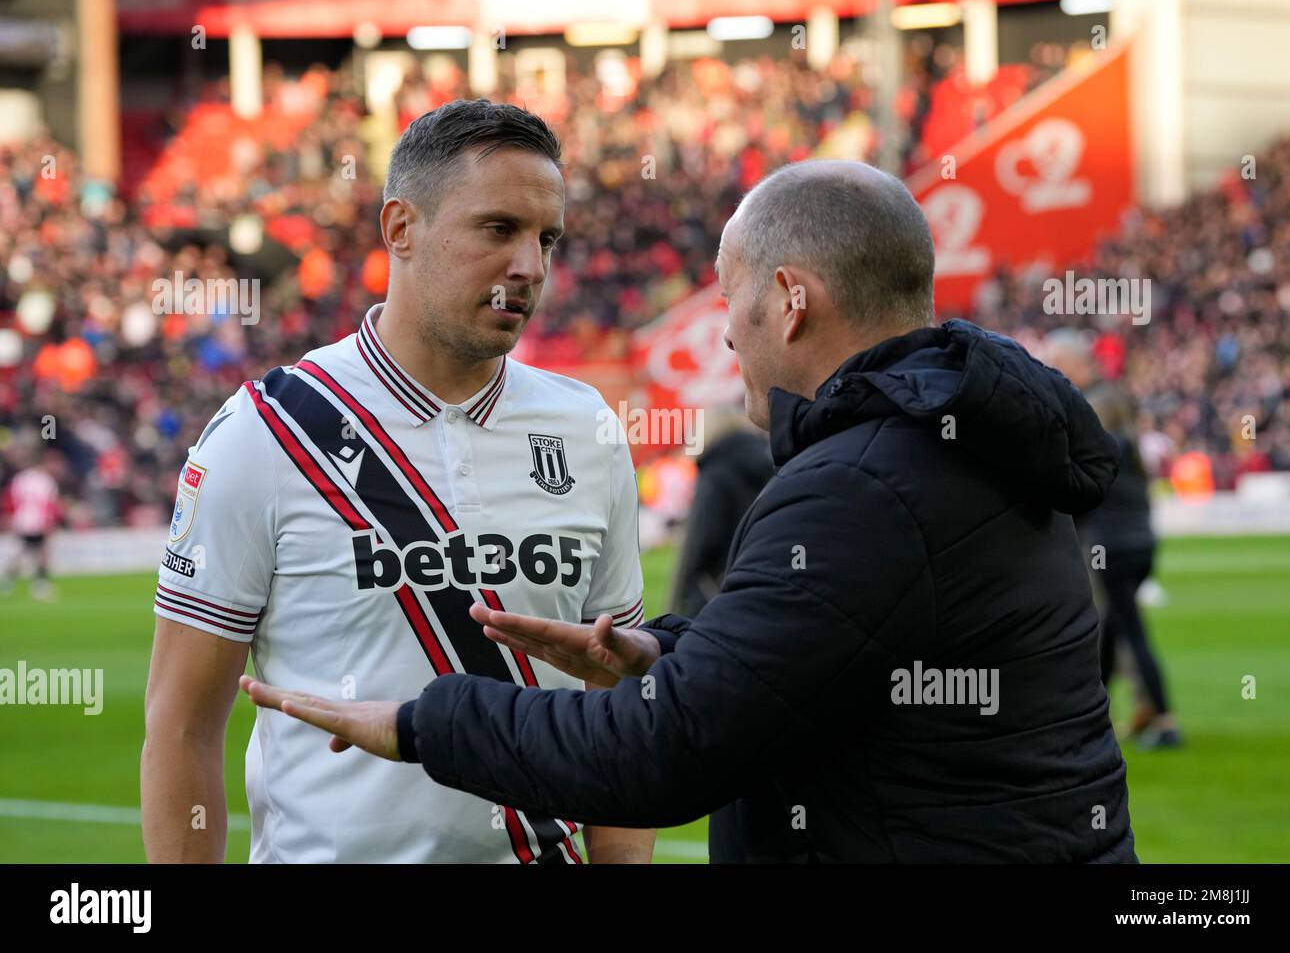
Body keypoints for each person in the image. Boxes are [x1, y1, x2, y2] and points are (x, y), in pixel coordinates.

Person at [242, 159, 1137, 863]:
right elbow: (834, 661)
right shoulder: (961, 438)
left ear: (790, 302)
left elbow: (665, 751)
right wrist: (670, 653)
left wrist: (420, 721)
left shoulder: (863, 484)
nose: (722, 331)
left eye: (729, 295)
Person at [142, 100, 655, 863]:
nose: (530, 267)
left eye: (547, 238)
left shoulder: (587, 429)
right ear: (400, 229)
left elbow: (615, 702)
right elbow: (182, 726)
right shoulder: (264, 432)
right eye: (498, 229)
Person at [1043, 329, 1182, 750]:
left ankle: (1162, 719)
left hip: (1109, 543)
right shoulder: (1119, 415)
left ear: (1073, 363)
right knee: (1113, 629)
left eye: (1056, 363)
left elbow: (1080, 476)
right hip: (1139, 538)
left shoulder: (1093, 414)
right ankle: (1099, 716)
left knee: (1120, 629)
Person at [668, 407, 773, 617]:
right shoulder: (770, 463)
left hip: (722, 591)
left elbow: (702, 540)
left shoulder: (715, 472)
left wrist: (677, 602)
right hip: (766, 578)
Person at [1, 446, 62, 602]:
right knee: (42, 552)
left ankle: (9, 581)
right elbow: (49, 504)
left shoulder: (19, 478)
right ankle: (40, 584)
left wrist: (10, 518)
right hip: (38, 521)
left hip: (22, 520)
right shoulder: (46, 480)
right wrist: (51, 522)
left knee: (24, 551)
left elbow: (9, 501)